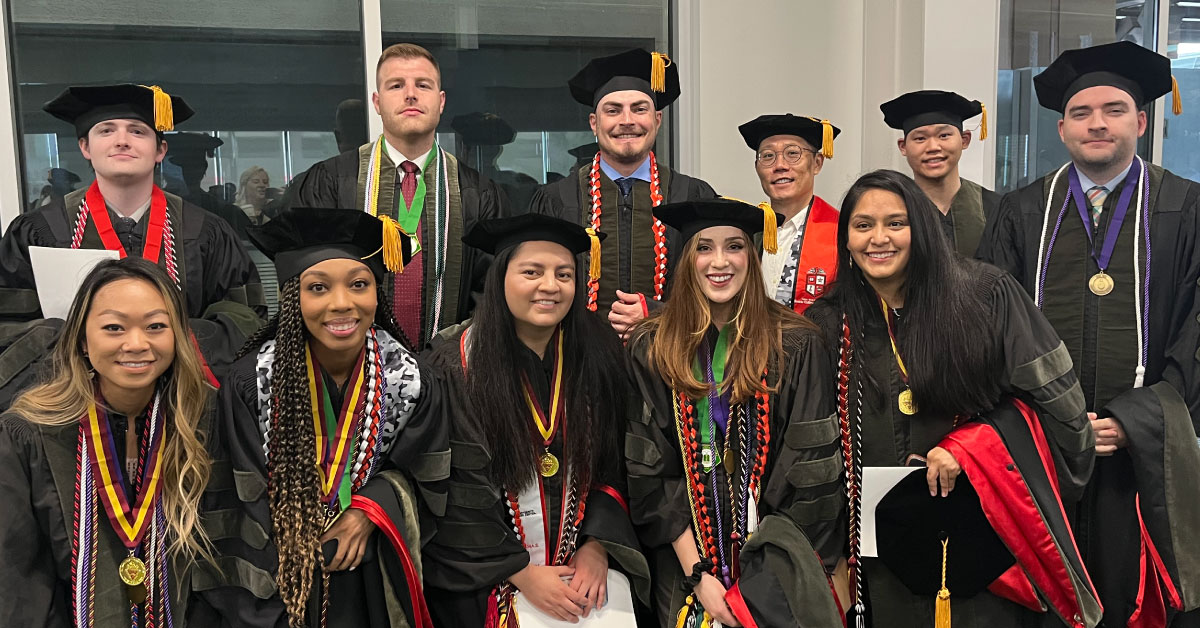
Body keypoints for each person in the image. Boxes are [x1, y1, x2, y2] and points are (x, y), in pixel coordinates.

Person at [805, 170, 1099, 626]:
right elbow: (813, 445)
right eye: (862, 226)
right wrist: (829, 559)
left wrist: (975, 445)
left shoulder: (985, 295)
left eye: (895, 223)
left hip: (979, 538)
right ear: (845, 239)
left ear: (919, 229)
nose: (877, 238)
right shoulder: (828, 322)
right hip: (875, 556)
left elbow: (1059, 409)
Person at [977, 41, 1200, 625]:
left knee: (1134, 599)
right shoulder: (1021, 210)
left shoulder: (1187, 207)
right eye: (1081, 112)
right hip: (1043, 453)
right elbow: (987, 326)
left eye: (1114, 109)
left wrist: (1138, 418)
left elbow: (1198, 327)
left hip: (1144, 456)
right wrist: (1042, 418)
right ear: (1061, 128)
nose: (1097, 123)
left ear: (1142, 121)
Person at [190, 207, 445, 627]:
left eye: (359, 284)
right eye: (319, 288)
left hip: (377, 572)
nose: (341, 303)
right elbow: (235, 501)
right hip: (282, 578)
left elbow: (428, 477)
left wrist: (370, 509)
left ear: (376, 293)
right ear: (294, 298)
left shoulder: (412, 380)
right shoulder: (250, 383)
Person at [419, 213, 649, 626]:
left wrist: (597, 544)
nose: (550, 286)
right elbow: (453, 491)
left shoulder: (598, 355)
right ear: (500, 278)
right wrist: (520, 571)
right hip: (484, 584)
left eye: (564, 274)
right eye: (532, 272)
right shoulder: (453, 366)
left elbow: (617, 462)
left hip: (582, 576)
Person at [625, 198, 844, 627]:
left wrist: (757, 585)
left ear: (753, 255)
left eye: (734, 247)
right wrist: (698, 575)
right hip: (685, 568)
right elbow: (650, 473)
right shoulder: (652, 347)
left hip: (777, 571)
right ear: (687, 259)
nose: (719, 262)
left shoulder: (796, 345)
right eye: (704, 248)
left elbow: (809, 477)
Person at [0, 84, 265, 407]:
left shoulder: (207, 231)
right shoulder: (38, 231)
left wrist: (167, 341)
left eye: (138, 131)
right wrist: (75, 342)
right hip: (70, 407)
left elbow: (245, 318)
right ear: (85, 146)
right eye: (106, 130)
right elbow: (8, 326)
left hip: (184, 405)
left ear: (160, 150)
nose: (122, 140)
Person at [0, 256, 217, 625]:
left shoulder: (202, 419)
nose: (136, 344)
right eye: (114, 327)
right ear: (83, 339)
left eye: (155, 326)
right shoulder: (30, 432)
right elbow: (18, 577)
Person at [290, 43, 510, 349]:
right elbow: (309, 286)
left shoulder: (478, 193)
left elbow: (492, 293)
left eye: (423, 85)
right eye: (396, 85)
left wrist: (451, 359)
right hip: (353, 370)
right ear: (377, 102)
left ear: (441, 101)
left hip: (451, 373)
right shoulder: (330, 183)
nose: (410, 94)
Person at [530, 49, 718, 337]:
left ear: (657, 120)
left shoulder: (693, 196)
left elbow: (717, 289)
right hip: (579, 364)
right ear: (595, 123)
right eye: (613, 110)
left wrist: (659, 314)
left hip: (670, 364)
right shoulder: (557, 199)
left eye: (639, 109)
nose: (627, 120)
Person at [738, 113, 841, 313]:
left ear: (817, 163)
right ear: (757, 167)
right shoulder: (747, 233)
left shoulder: (841, 232)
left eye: (792, 153)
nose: (780, 166)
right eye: (768, 156)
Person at [880, 90, 998, 256]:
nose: (933, 147)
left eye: (944, 135)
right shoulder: (889, 210)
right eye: (920, 138)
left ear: (965, 140)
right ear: (903, 147)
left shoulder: (996, 209)